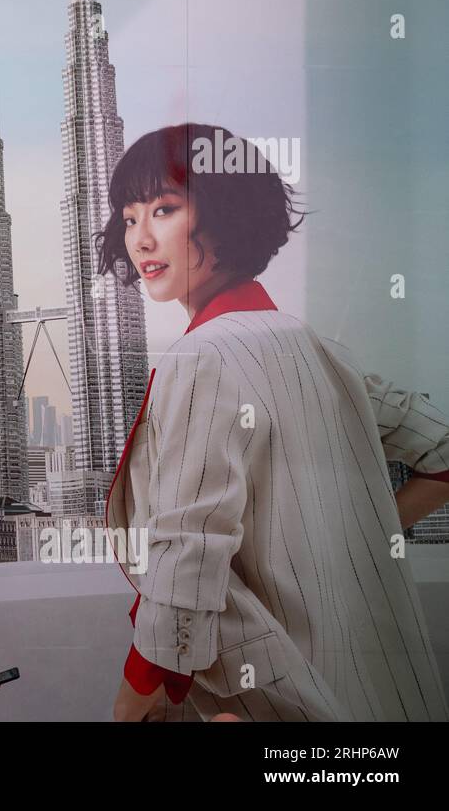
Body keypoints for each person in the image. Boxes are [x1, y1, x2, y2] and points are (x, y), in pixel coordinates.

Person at [96, 123, 449, 721]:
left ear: (227, 216)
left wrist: (139, 685)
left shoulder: (201, 355)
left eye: (164, 208)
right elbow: (440, 453)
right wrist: (364, 531)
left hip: (276, 691)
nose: (141, 239)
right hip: (375, 682)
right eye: (129, 218)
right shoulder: (320, 349)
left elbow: (189, 546)